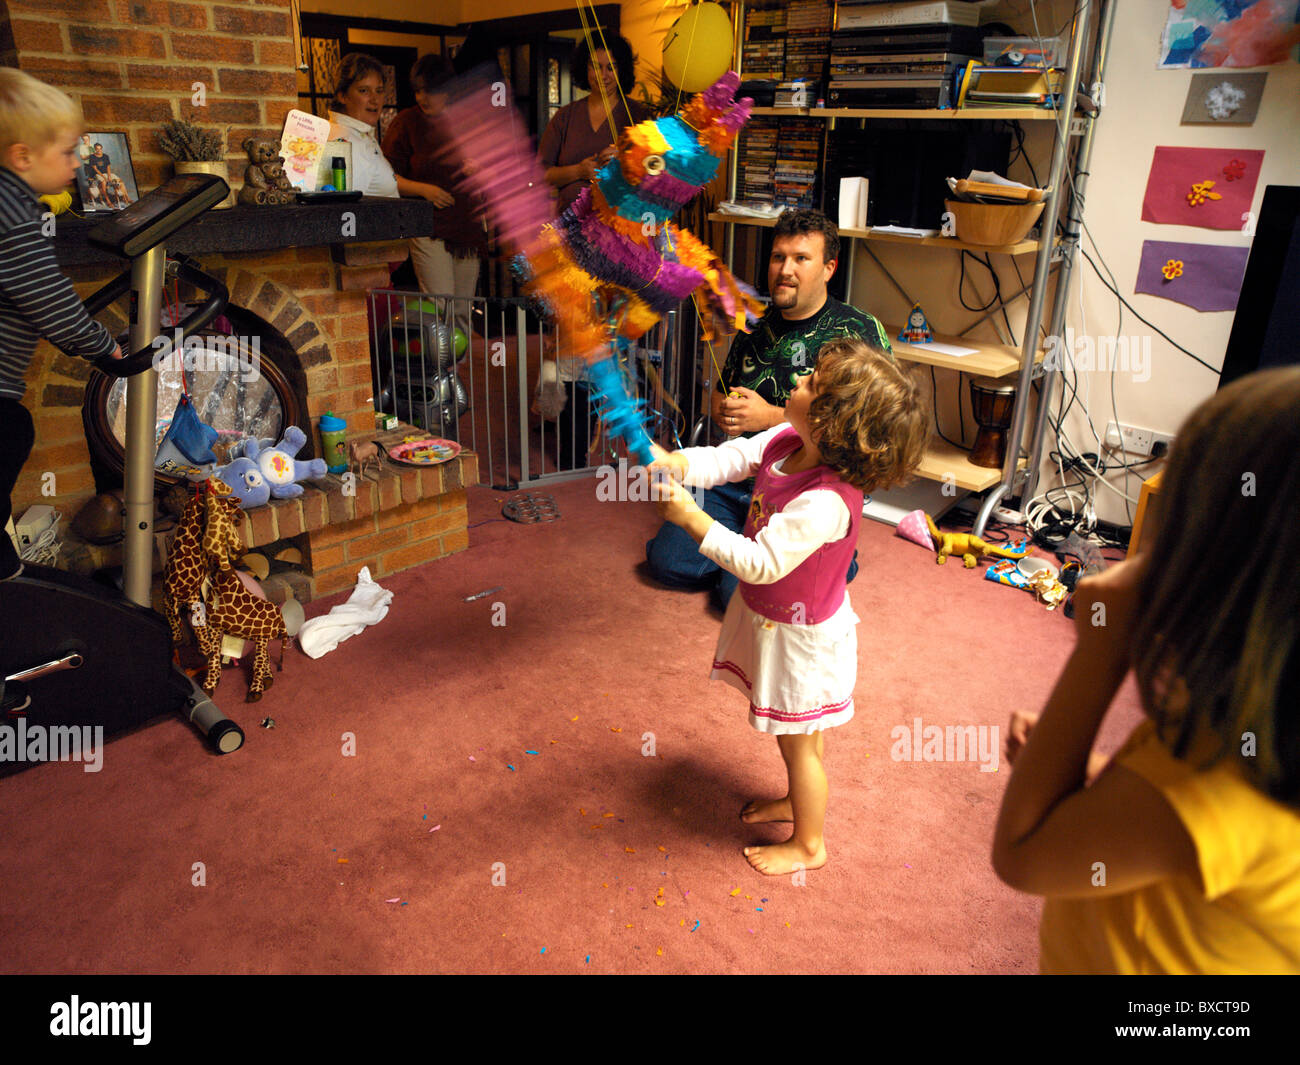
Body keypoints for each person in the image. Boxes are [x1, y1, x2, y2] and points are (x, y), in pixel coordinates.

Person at [993, 365, 1300, 974]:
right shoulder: (1254, 738)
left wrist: (1103, 645)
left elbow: (1023, 854)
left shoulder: (1204, 792)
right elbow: (1175, 829)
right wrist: (1102, 775)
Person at [651, 338, 928, 875]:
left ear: (829, 426)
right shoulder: (786, 438)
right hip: (779, 620)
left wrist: (692, 520)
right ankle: (795, 803)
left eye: (809, 386)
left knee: (800, 743)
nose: (796, 383)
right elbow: (734, 456)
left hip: (802, 640)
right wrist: (679, 462)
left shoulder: (825, 501)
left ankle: (809, 844)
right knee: (797, 735)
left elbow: (760, 563)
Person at [645, 208, 893, 609]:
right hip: (741, 480)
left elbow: (871, 427)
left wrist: (769, 418)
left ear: (829, 268)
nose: (785, 270)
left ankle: (819, 550)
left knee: (740, 595)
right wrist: (724, 409)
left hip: (802, 489)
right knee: (668, 563)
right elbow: (725, 397)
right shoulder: (755, 321)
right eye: (779, 257)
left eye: (801, 259)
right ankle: (752, 546)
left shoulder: (858, 333)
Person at [0, 69, 122, 580]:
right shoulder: (10, 208)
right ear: (23, 157)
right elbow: (46, 297)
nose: (78, 165)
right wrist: (104, 348)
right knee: (10, 431)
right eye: (69, 153)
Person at [532, 35, 653, 470]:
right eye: (595, 66)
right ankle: (568, 438)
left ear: (622, 70)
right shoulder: (565, 117)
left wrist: (620, 164)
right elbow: (541, 173)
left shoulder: (638, 116)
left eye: (610, 66)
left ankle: (586, 433)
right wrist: (579, 170)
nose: (602, 74)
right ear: (583, 69)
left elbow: (658, 175)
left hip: (618, 240)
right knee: (570, 334)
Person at [383, 54, 486, 346]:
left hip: (466, 227)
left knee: (463, 309)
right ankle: (438, 372)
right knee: (441, 305)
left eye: (432, 90)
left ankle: (458, 373)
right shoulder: (407, 122)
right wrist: (423, 190)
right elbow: (386, 177)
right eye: (418, 90)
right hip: (427, 226)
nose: (423, 97)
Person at [327, 53, 399, 199]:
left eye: (379, 91)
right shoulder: (346, 141)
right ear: (342, 96)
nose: (375, 99)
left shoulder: (360, 133)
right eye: (364, 91)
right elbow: (348, 211)